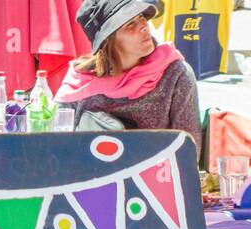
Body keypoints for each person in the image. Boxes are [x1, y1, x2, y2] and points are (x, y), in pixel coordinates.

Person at [56, 0, 201, 144]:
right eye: (130, 24)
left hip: (160, 167)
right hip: (90, 167)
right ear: (109, 40)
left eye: (142, 17)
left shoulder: (175, 74)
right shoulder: (78, 84)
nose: (144, 26)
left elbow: (188, 150)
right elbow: (57, 146)